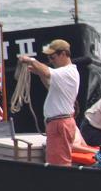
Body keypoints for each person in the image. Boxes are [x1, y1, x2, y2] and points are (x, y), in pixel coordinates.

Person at [18, 39, 78, 167]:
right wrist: (39, 72)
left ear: (63, 54)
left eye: (53, 57)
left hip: (59, 124)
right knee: (56, 162)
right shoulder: (63, 74)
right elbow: (50, 85)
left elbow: (47, 72)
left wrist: (31, 60)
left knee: (58, 164)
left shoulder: (68, 71)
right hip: (57, 123)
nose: (51, 60)